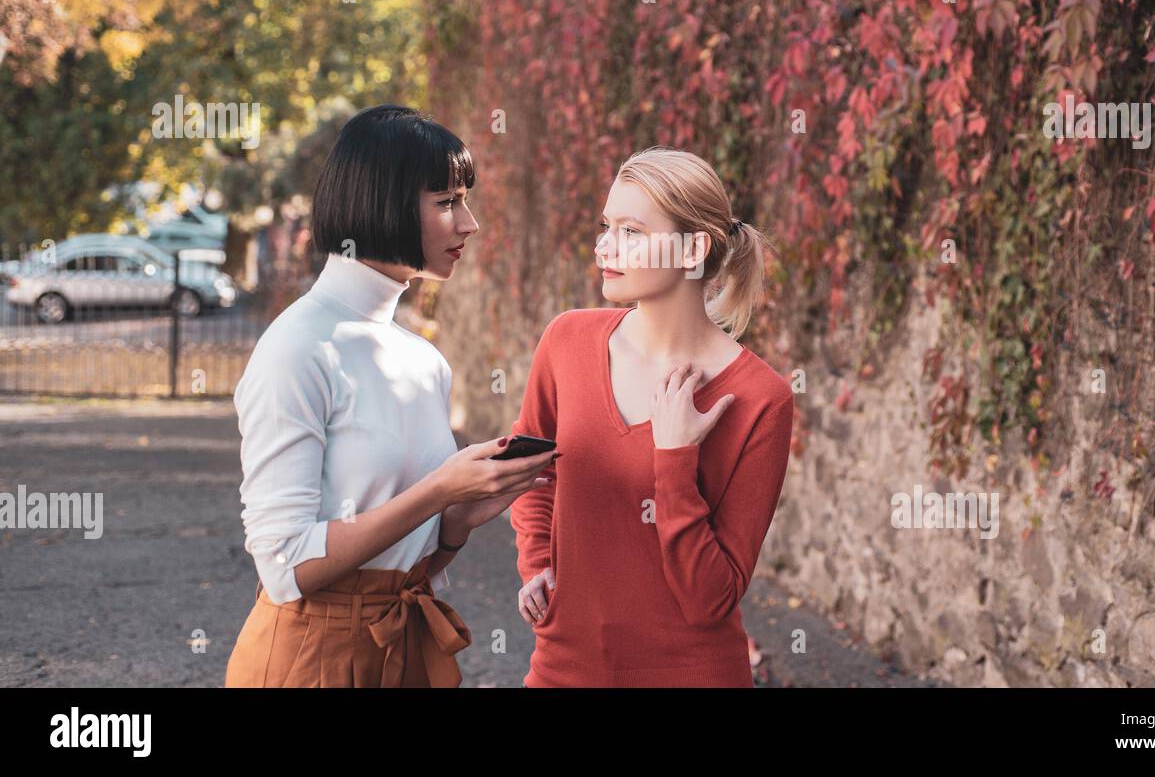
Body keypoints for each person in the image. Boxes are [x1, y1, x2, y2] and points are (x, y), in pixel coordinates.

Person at [224, 104, 555, 688]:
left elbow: (403, 563)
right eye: (448, 202)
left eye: (464, 200)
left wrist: (456, 518)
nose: (469, 223)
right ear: (385, 202)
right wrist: (437, 491)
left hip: (405, 649)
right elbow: (285, 565)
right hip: (310, 660)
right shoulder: (299, 349)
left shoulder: (425, 362)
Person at [510, 146, 795, 686]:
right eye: (605, 225)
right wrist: (539, 562)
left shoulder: (762, 399)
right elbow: (531, 467)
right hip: (562, 667)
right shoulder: (566, 340)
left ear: (693, 250)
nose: (603, 246)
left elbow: (711, 598)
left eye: (631, 231)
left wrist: (675, 459)